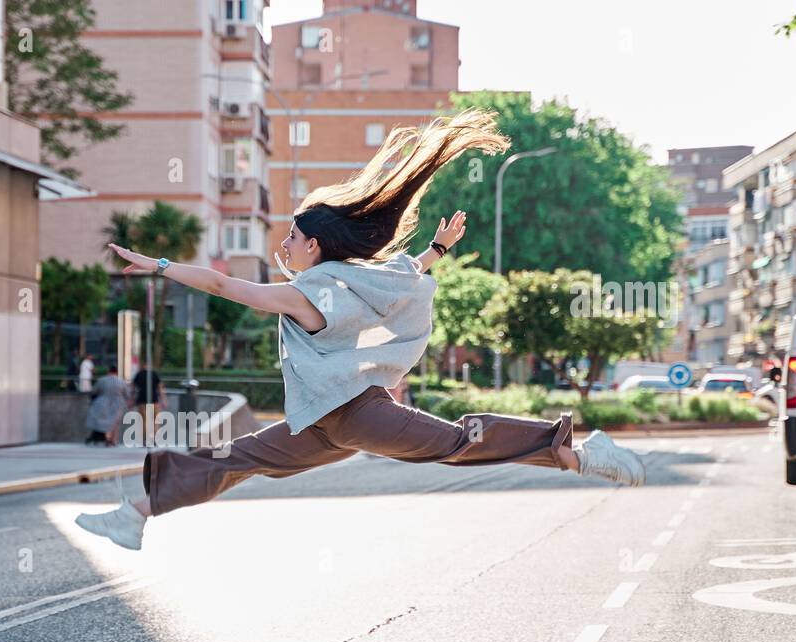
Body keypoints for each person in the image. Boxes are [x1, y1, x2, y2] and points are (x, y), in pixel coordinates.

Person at [75, 109, 645, 551]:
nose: (287, 244)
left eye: (294, 238)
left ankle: (579, 452)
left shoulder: (306, 293)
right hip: (321, 423)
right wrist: (438, 248)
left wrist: (162, 266)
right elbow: (408, 270)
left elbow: (230, 288)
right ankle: (134, 517)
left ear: (315, 245)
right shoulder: (354, 279)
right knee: (236, 457)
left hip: (357, 413)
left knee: (453, 443)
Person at [86, 364, 129, 446]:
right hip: (118, 404)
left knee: (105, 422)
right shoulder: (121, 381)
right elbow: (127, 394)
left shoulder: (102, 380)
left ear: (109, 371)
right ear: (117, 372)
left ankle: (107, 439)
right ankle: (113, 440)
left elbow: (94, 391)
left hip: (103, 403)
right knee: (115, 423)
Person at [129, 361, 166, 446]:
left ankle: (145, 440)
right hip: (154, 400)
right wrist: (163, 400)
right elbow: (160, 388)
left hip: (141, 400)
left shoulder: (139, 374)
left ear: (143, 365)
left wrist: (131, 399)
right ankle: (155, 439)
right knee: (155, 420)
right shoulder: (154, 374)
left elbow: (133, 388)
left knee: (143, 420)